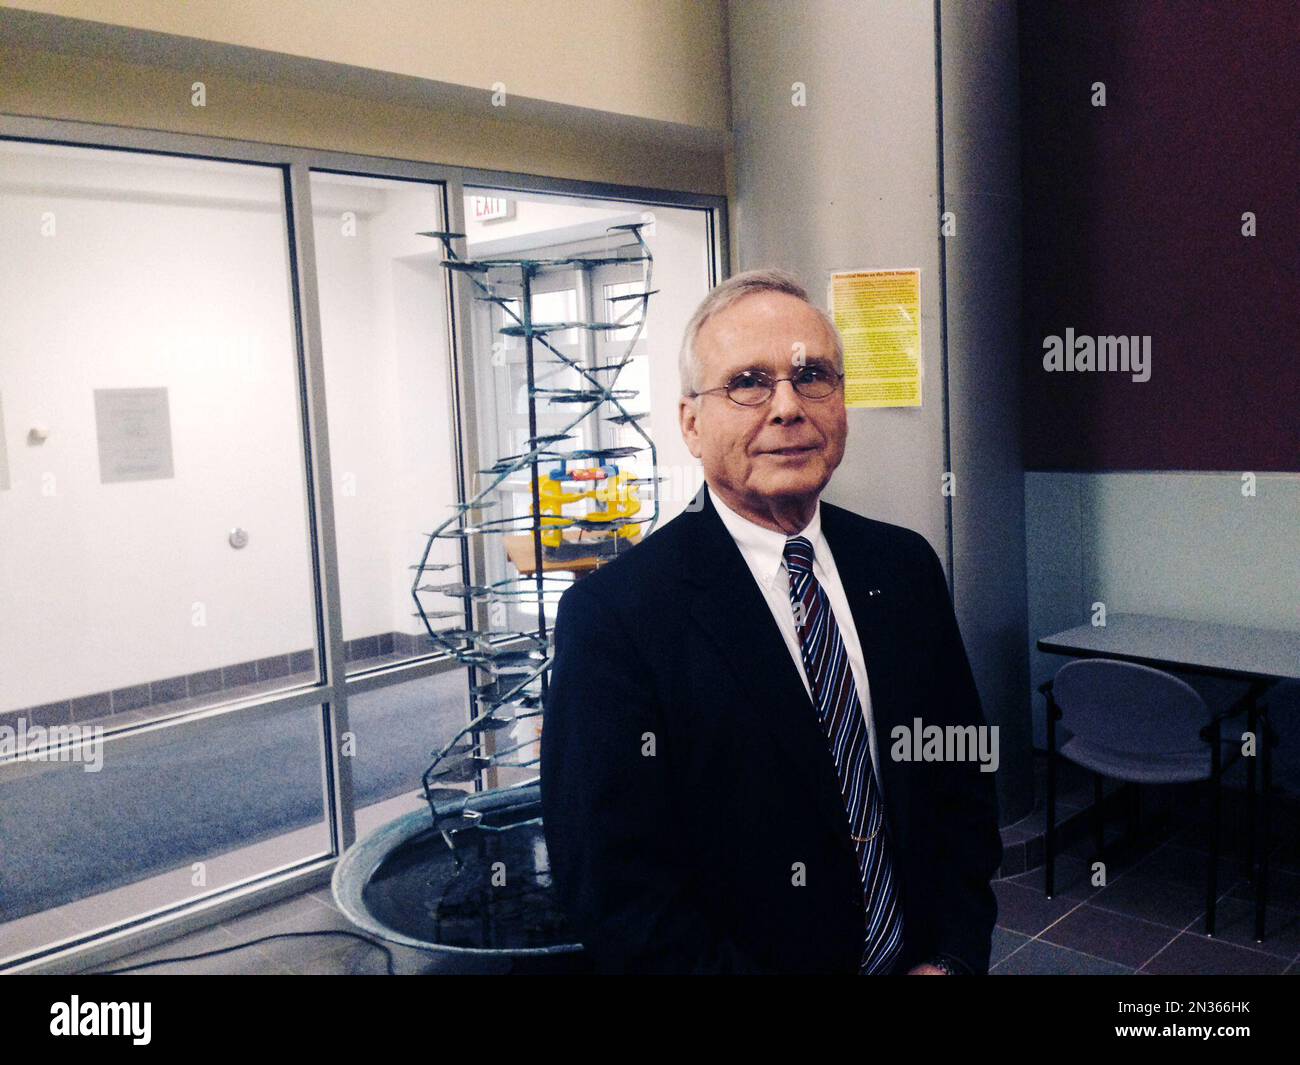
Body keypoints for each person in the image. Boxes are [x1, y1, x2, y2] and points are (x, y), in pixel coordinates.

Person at [540, 268, 1001, 974]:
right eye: (749, 382)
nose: (787, 406)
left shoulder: (904, 566)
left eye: (811, 375)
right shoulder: (616, 618)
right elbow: (618, 894)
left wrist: (955, 955)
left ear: (841, 402)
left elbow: (959, 775)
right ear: (691, 422)